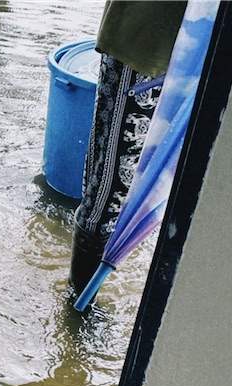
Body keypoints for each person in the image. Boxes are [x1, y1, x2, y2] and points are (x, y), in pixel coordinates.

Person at [68, 0, 186, 306]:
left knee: (125, 183)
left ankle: (82, 300)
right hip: (145, 48)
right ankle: (80, 305)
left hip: (184, 53)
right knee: (109, 189)